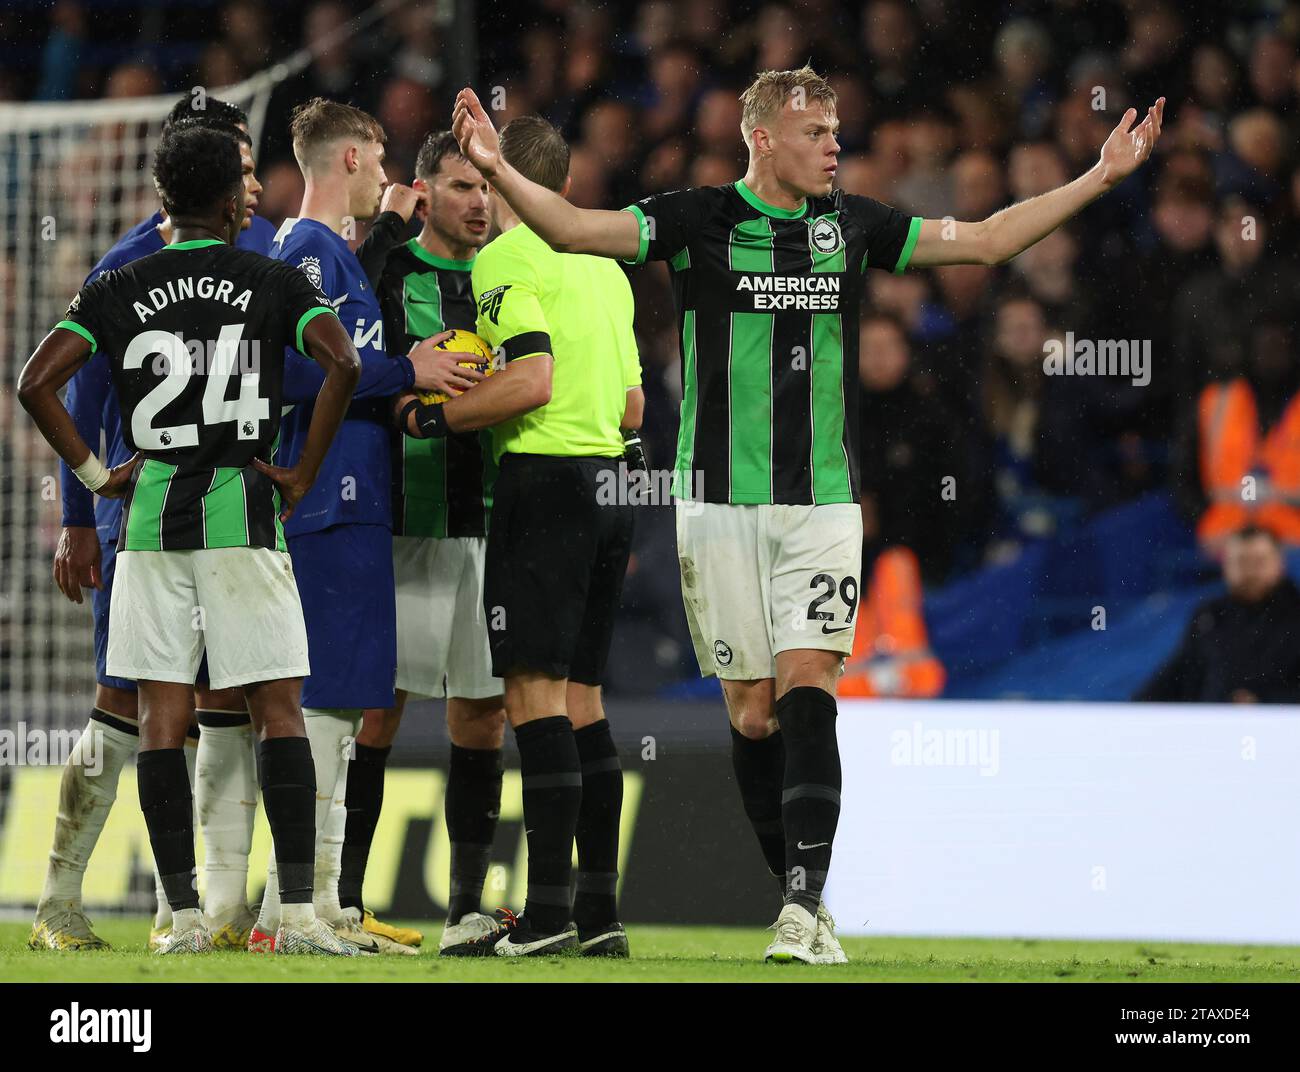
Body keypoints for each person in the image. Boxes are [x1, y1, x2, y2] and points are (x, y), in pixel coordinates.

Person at [453, 66, 1164, 962]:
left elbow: (985, 242)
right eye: (815, 130)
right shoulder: (699, 218)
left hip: (822, 503)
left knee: (807, 690)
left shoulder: (855, 226)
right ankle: (802, 901)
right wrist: (498, 167)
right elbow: (572, 226)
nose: (834, 144)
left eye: (835, 129)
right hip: (713, 503)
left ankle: (799, 907)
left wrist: (1099, 176)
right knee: (751, 715)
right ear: (762, 137)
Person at [17, 123, 362, 956]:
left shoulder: (122, 283)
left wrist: (98, 479)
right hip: (245, 516)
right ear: (228, 201)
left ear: (164, 196)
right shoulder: (271, 279)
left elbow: (36, 382)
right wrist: (303, 471)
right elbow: (343, 363)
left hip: (149, 525)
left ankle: (183, 920)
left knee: (162, 717)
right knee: (279, 710)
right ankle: (304, 916)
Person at [398, 115, 644, 957]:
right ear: (562, 187)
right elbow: (633, 407)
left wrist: (438, 415)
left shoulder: (507, 259)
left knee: (531, 700)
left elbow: (532, 380)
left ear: (503, 183)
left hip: (545, 486)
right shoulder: (606, 267)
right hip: (614, 482)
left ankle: (544, 916)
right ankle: (600, 913)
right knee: (585, 703)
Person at [34, 95, 273, 954]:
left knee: (223, 697)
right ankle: (58, 899)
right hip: (139, 516)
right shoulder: (130, 265)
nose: (250, 185)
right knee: (126, 699)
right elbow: (81, 400)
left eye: (253, 165)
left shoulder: (263, 249)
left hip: (233, 518)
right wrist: (80, 513)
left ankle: (198, 905)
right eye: (236, 169)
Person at [252, 97, 461, 953]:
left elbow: (343, 352)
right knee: (327, 702)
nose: (390, 179)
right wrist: (406, 366)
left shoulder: (333, 254)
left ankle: (327, 903)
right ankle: (285, 911)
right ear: (348, 161)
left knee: (345, 703)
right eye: (381, 163)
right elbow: (298, 368)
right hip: (325, 497)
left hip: (355, 495)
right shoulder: (303, 250)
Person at [338, 130, 507, 954]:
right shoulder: (387, 274)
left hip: (488, 522)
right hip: (398, 520)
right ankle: (340, 901)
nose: (479, 201)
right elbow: (342, 363)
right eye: (461, 186)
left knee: (482, 715)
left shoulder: (513, 274)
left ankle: (466, 909)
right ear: (424, 191)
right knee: (378, 711)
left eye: (486, 187)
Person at [1136, 526, 1300, 703]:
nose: (1250, 571)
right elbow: (1178, 674)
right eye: (1241, 561)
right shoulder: (1210, 615)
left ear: (1279, 562)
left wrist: (1264, 701)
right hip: (1211, 726)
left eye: (1259, 561)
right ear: (1226, 565)